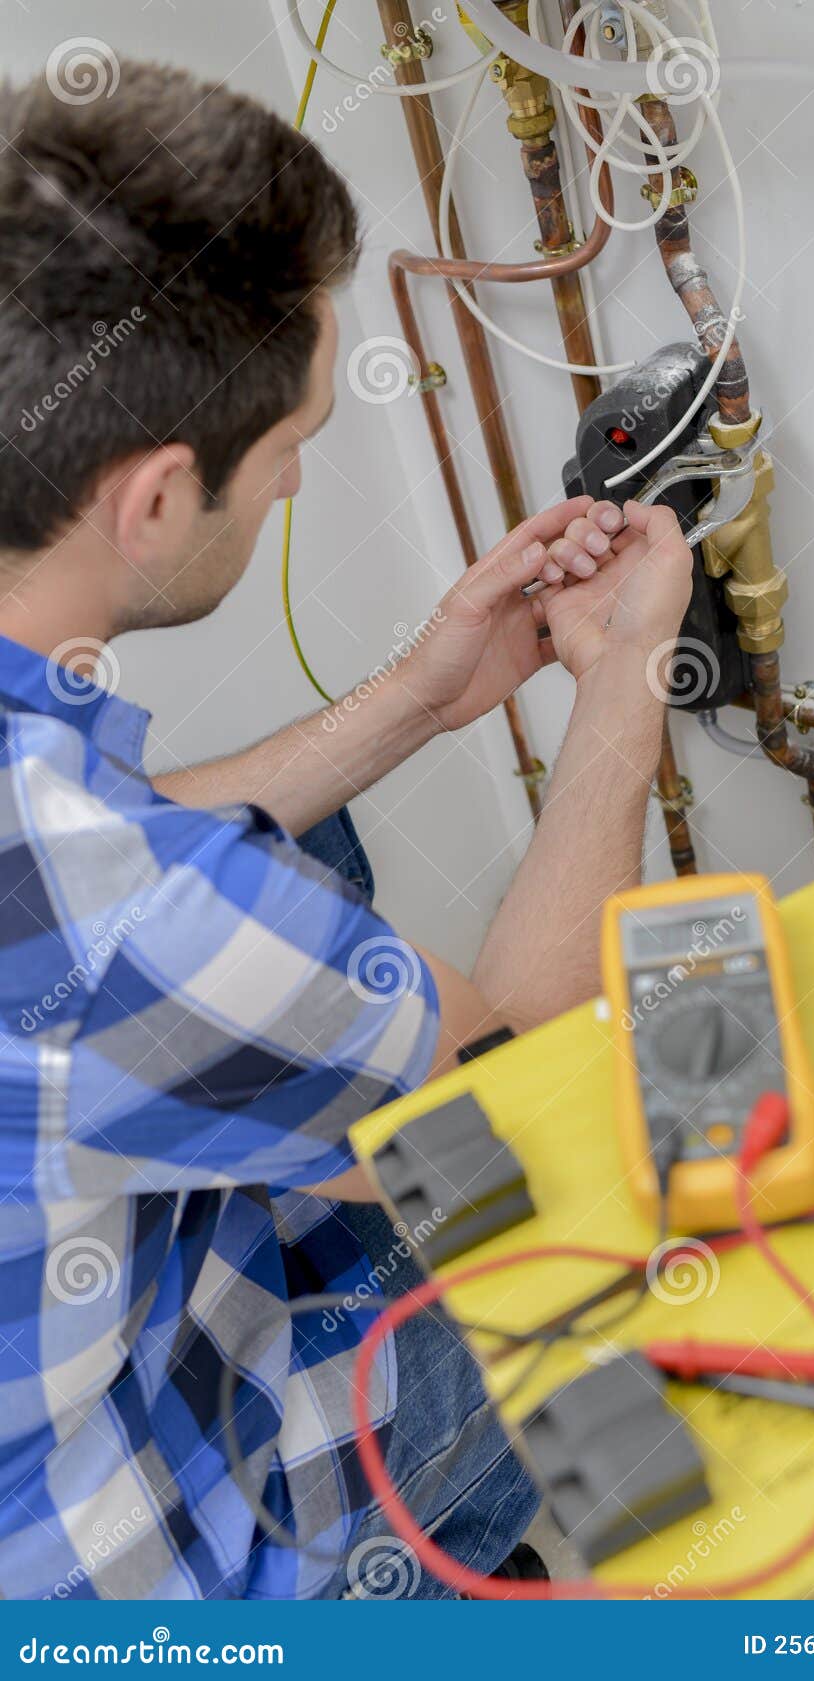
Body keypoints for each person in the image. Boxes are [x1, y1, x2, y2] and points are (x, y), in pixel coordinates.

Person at [0, 62, 693, 1598]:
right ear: (159, 496)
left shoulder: (47, 813)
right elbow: (534, 1100)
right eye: (293, 442)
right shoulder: (135, 919)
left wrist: (422, 695)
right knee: (598, 1212)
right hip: (116, 1559)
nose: (305, 470)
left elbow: (109, 839)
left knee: (325, 864)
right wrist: (625, 679)